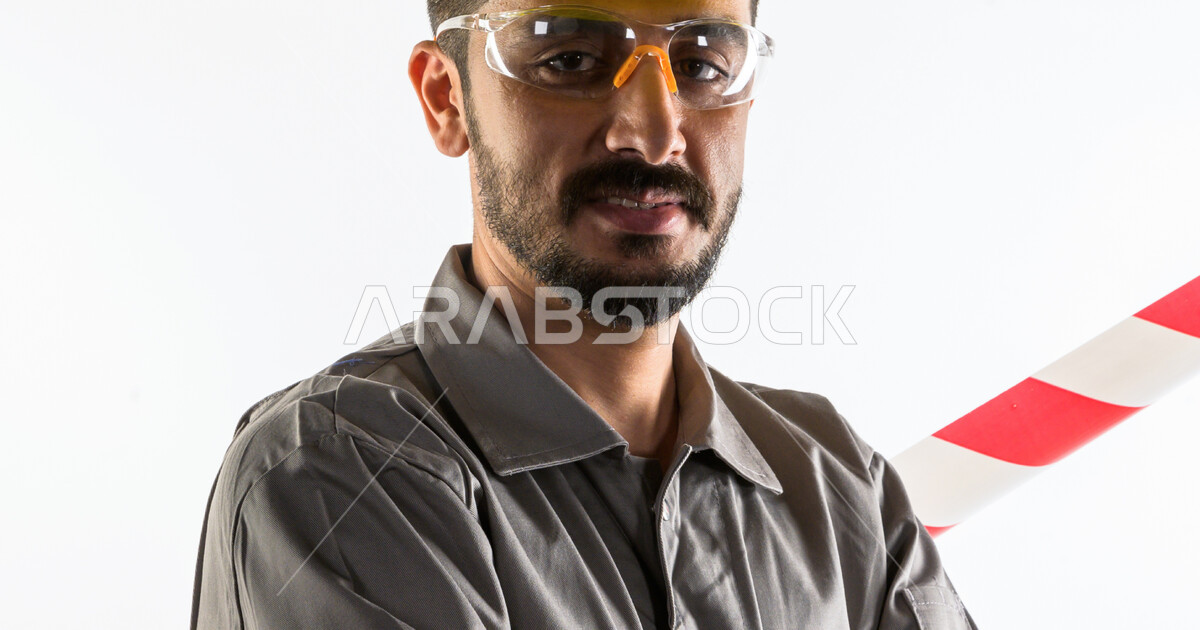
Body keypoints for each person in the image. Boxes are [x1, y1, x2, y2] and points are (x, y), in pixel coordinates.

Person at [191, 1, 977, 628]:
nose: (655, 130)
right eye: (568, 59)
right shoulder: (337, 472)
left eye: (703, 64)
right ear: (447, 98)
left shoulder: (840, 483)